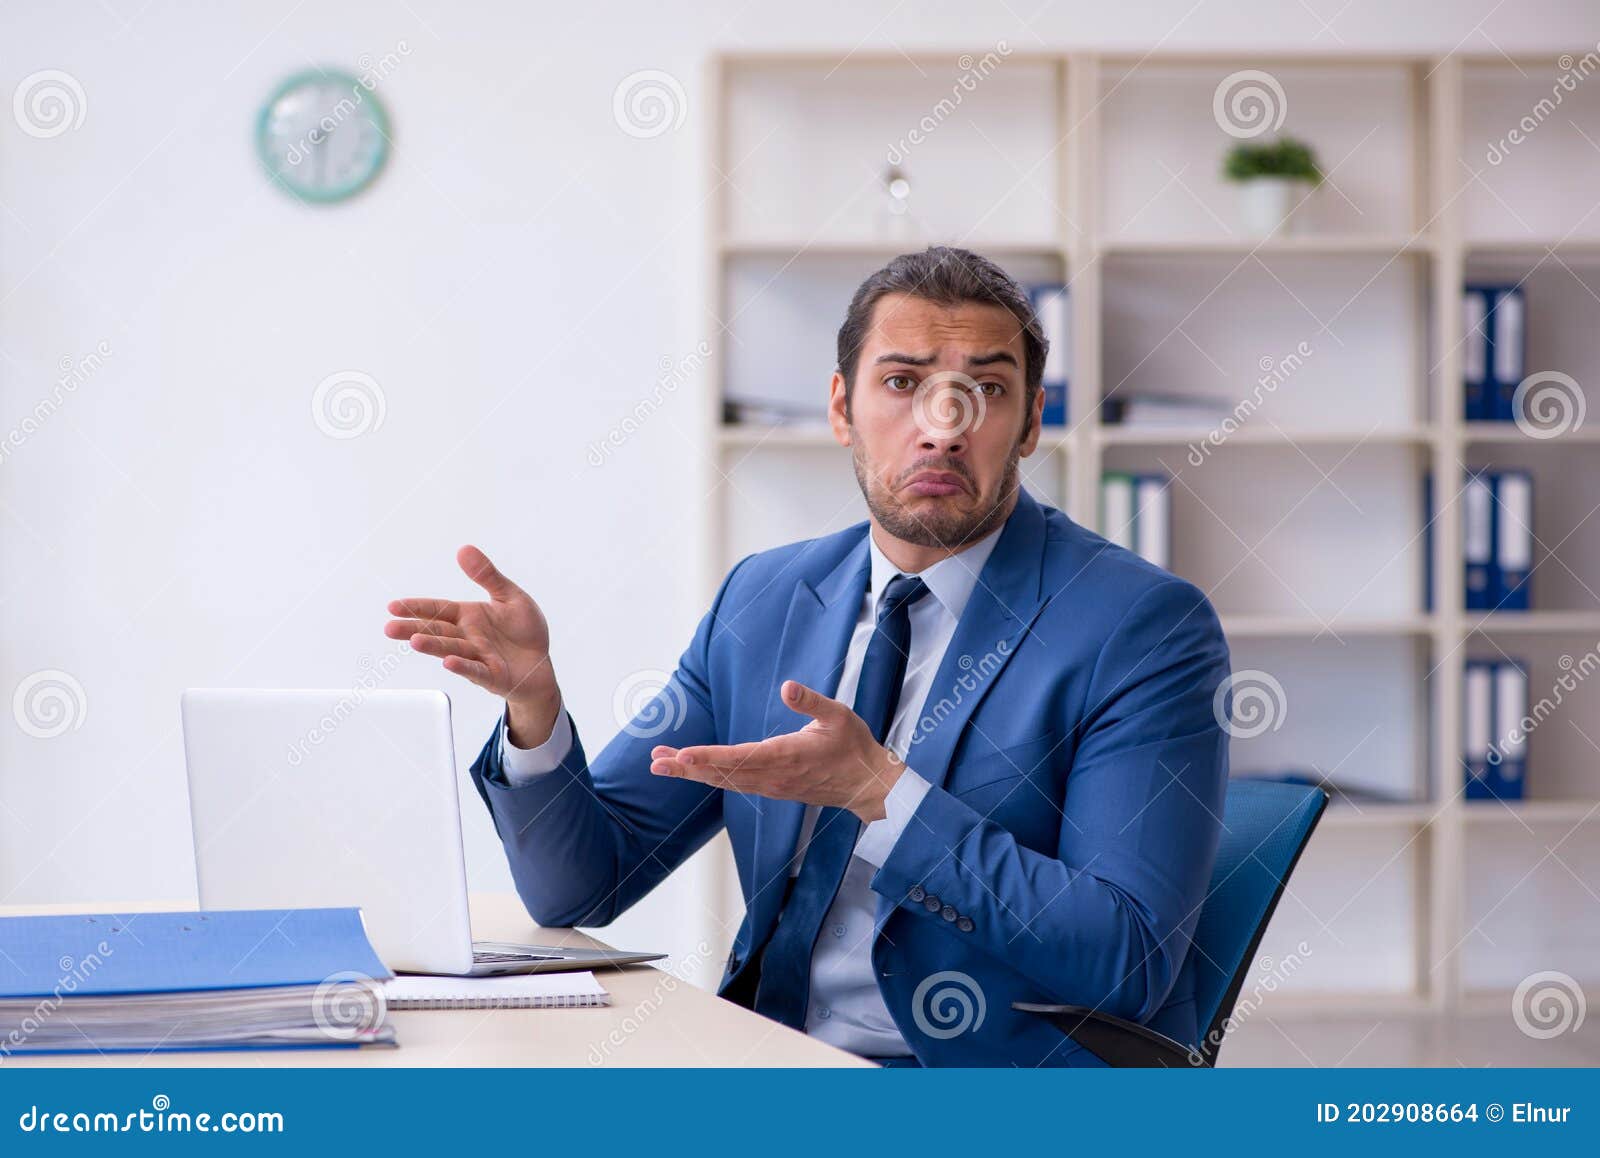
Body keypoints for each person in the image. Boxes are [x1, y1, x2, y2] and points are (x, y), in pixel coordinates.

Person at [385, 246, 1231, 1067]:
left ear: (1031, 422)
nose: (942, 428)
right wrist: (534, 707)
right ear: (841, 409)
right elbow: (580, 887)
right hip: (766, 1058)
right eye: (903, 384)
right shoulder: (764, 602)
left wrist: (882, 796)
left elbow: (1130, 963)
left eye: (984, 388)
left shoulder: (1142, 628)